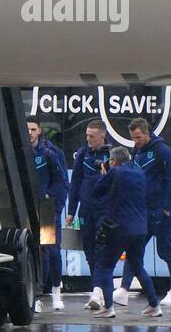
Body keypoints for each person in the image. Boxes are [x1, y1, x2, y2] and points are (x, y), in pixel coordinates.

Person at [113, 117, 171, 307]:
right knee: (133, 249)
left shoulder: (162, 150)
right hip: (141, 211)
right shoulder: (137, 151)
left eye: (138, 137)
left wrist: (167, 206)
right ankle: (124, 289)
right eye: (133, 138)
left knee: (166, 250)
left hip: (160, 210)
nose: (136, 141)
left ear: (147, 133)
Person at [90, 147, 162, 318]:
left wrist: (104, 174)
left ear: (113, 161)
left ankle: (108, 307)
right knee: (137, 266)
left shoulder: (115, 173)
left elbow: (96, 191)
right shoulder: (139, 173)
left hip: (119, 228)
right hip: (140, 229)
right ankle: (154, 305)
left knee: (105, 266)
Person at [66, 119, 113, 309]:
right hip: (86, 210)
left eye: (92, 136)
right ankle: (97, 290)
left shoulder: (112, 154)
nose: (88, 139)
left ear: (102, 136)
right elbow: (75, 183)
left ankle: (98, 292)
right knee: (89, 251)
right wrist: (71, 212)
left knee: (102, 250)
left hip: (104, 210)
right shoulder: (83, 153)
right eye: (86, 135)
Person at [29, 120, 69, 311]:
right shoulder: (19, 152)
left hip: (46, 210)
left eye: (33, 129)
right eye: (26, 129)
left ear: (39, 131)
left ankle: (56, 293)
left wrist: (53, 205)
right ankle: (37, 296)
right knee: (36, 253)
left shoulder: (50, 153)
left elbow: (62, 183)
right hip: (27, 209)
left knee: (51, 252)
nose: (29, 132)